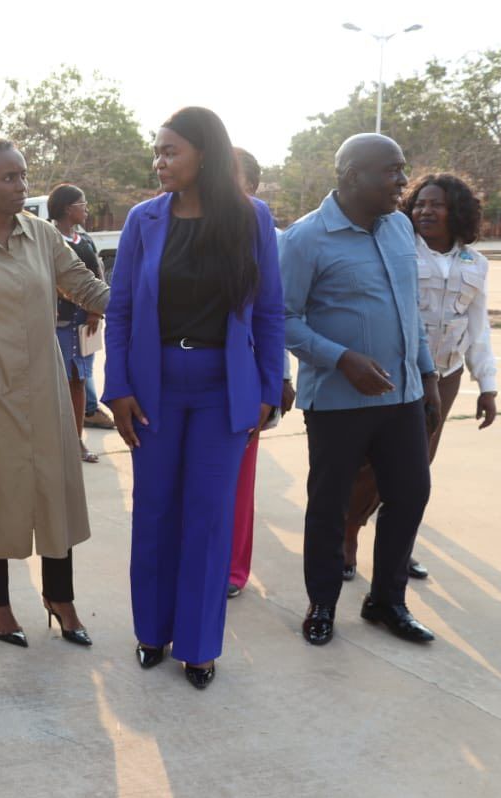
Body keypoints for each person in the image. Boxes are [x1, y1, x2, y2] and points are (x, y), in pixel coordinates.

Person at [105, 107, 284, 689]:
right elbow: (123, 308)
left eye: (169, 151)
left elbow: (271, 309)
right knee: (155, 510)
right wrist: (119, 387)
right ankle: (151, 632)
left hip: (221, 388)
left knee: (209, 516)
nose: (159, 161)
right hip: (155, 384)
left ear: (204, 153)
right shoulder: (143, 220)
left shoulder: (251, 219)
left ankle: (200, 645)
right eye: (156, 152)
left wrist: (265, 384)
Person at [0, 137, 110, 650]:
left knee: (53, 490)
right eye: (9, 178)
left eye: (24, 176)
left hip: (44, 387)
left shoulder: (43, 235)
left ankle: (60, 598)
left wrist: (136, 304)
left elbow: (80, 283)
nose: (21, 186)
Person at [282, 133, 443, 647]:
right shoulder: (305, 238)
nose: (403, 181)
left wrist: (428, 376)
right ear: (352, 175)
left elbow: (407, 307)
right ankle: (322, 603)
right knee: (328, 505)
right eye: (391, 170)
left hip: (402, 397)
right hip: (337, 402)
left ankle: (386, 601)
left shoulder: (398, 228)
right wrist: (341, 358)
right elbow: (280, 319)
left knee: (410, 493)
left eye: (403, 168)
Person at [341, 173, 497, 582]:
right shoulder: (400, 250)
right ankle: (348, 535)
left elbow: (478, 329)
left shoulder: (475, 264)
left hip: (445, 376)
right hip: (397, 371)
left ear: (457, 211)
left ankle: (398, 547)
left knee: (415, 472)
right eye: (420, 204)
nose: (426, 211)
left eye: (437, 204)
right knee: (372, 468)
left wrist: (488, 386)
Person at [227, 147, 297, 599]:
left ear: (251, 186)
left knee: (238, 484)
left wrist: (278, 380)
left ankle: (232, 570)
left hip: (245, 379)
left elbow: (274, 313)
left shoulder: (261, 231)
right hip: (188, 380)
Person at [47, 183, 105, 463]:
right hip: (54, 323)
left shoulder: (86, 240)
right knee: (53, 383)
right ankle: (54, 443)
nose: (86, 209)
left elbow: (97, 276)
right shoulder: (47, 240)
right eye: (82, 203)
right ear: (68, 208)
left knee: (79, 380)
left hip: (84, 324)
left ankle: (76, 441)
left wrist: (96, 312)